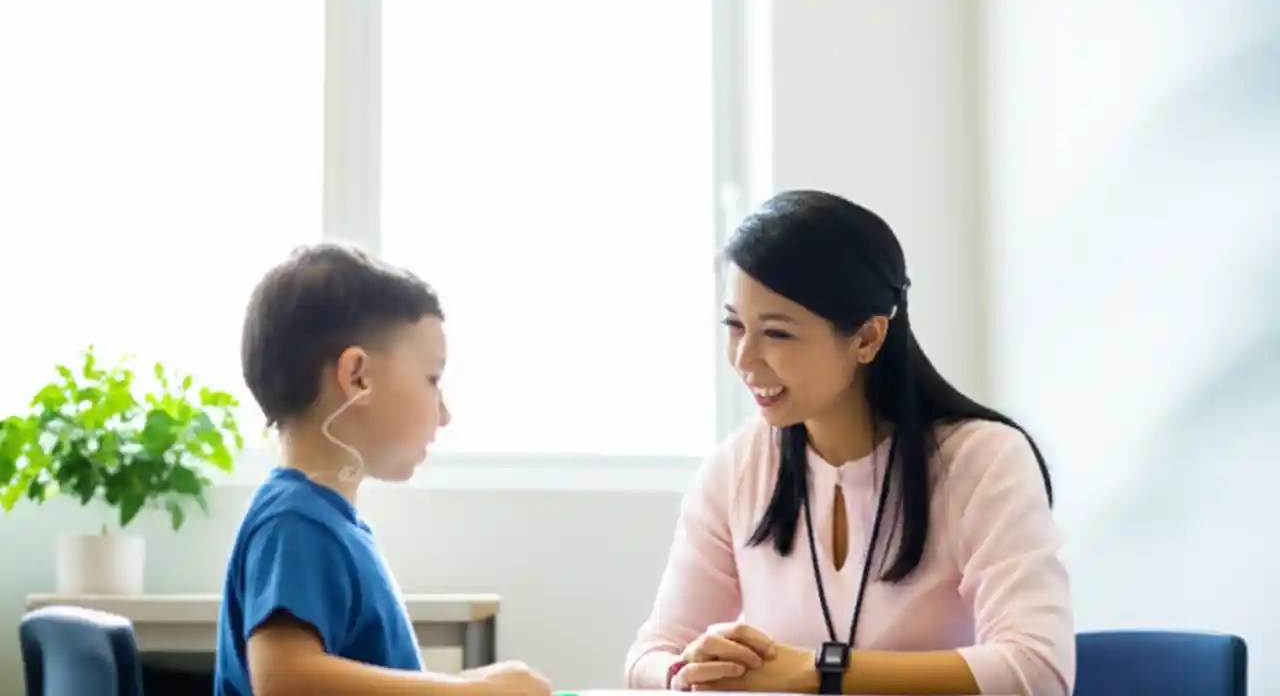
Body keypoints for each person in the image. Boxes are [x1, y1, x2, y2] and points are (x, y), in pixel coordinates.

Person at [624, 191, 1074, 695]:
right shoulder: (737, 467)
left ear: (867, 339)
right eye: (734, 325)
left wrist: (818, 671)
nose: (744, 358)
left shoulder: (982, 460)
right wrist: (690, 672)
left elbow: (1038, 670)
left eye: (777, 333)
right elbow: (651, 654)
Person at [214, 244, 551, 696]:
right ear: (358, 376)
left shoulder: (327, 523)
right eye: (432, 379)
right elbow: (283, 680)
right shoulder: (294, 522)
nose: (444, 413)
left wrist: (463, 684)